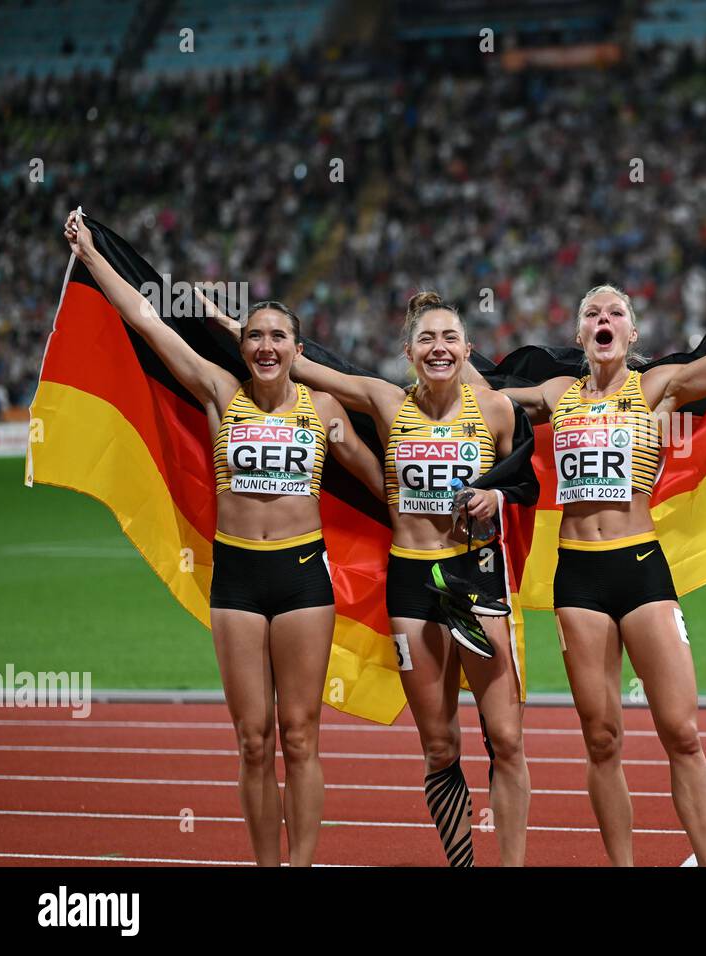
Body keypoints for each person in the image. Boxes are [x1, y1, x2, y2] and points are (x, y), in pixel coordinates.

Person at [468, 212, 706, 865]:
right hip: (579, 580)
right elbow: (487, 397)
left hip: (643, 570)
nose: (605, 316)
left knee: (681, 730)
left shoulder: (659, 388)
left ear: (631, 332)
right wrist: (446, 348)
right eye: (593, 310)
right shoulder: (556, 394)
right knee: (601, 739)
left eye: (616, 311)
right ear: (579, 334)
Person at [64, 209, 385, 866]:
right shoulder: (218, 390)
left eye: (279, 337)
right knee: (252, 739)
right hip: (237, 578)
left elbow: (381, 482)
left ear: (298, 349)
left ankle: (301, 864)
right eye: (256, 337)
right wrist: (94, 257)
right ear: (242, 346)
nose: (266, 347)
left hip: (303, 577)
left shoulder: (324, 411)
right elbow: (148, 322)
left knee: (301, 736)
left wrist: (430, 515)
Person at [214, 290, 532, 867]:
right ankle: (461, 863)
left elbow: (524, 482)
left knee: (506, 738)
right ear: (408, 351)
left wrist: (495, 494)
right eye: (427, 339)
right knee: (439, 746)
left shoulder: (496, 410)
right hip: (412, 583)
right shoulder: (385, 400)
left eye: (450, 338)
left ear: (468, 348)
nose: (439, 348)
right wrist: (224, 321)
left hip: (476, 577)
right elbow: (298, 362)